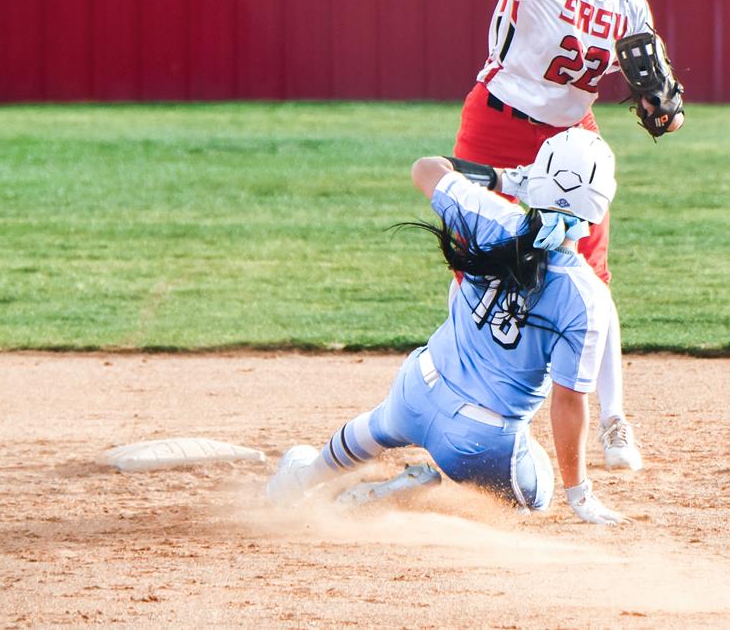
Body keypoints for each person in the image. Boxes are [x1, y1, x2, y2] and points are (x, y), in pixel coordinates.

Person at [266, 128, 629, 525]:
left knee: (379, 425)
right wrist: (579, 496)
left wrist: (503, 179)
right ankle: (395, 495)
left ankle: (302, 480)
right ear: (600, 204)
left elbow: (425, 168)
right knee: (537, 490)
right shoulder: (587, 294)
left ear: (534, 181)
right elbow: (568, 402)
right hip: (479, 443)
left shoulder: (491, 216)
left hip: (417, 389)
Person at [452, 0, 684, 473]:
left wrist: (665, 111)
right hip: (499, 117)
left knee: (591, 277)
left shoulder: (633, 4)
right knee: (476, 260)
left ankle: (613, 418)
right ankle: (471, 401)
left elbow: (654, 87)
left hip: (572, 139)